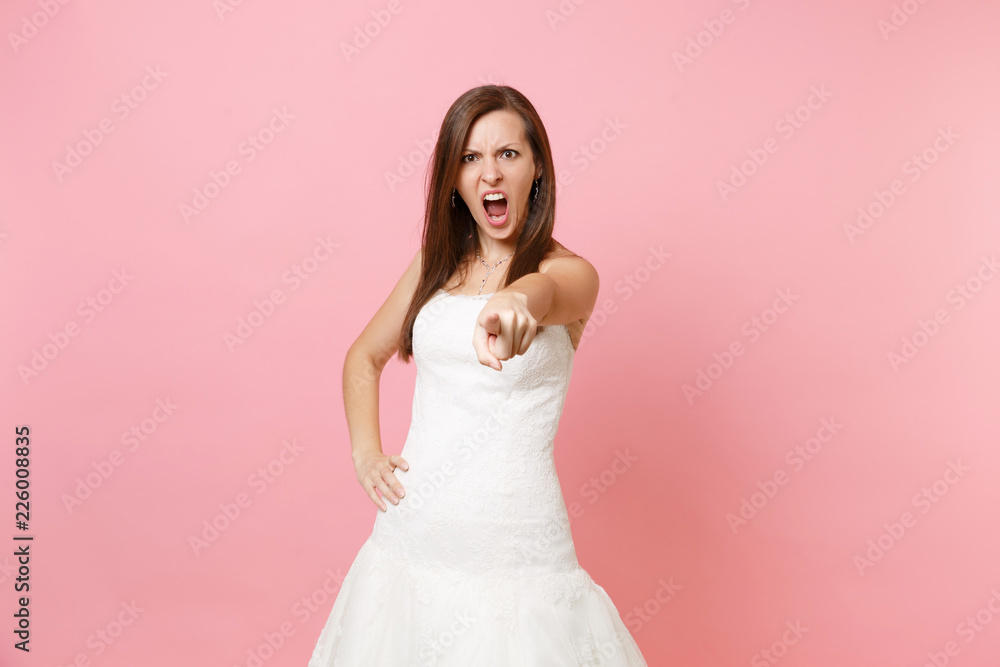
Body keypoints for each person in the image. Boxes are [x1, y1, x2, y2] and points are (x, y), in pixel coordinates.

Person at [308, 84, 648, 666]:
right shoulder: (434, 265)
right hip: (408, 548)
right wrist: (367, 454)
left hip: (517, 556)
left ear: (536, 166)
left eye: (508, 155)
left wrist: (519, 299)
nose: (490, 173)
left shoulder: (571, 274)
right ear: (454, 177)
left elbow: (546, 292)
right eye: (470, 158)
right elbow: (362, 358)